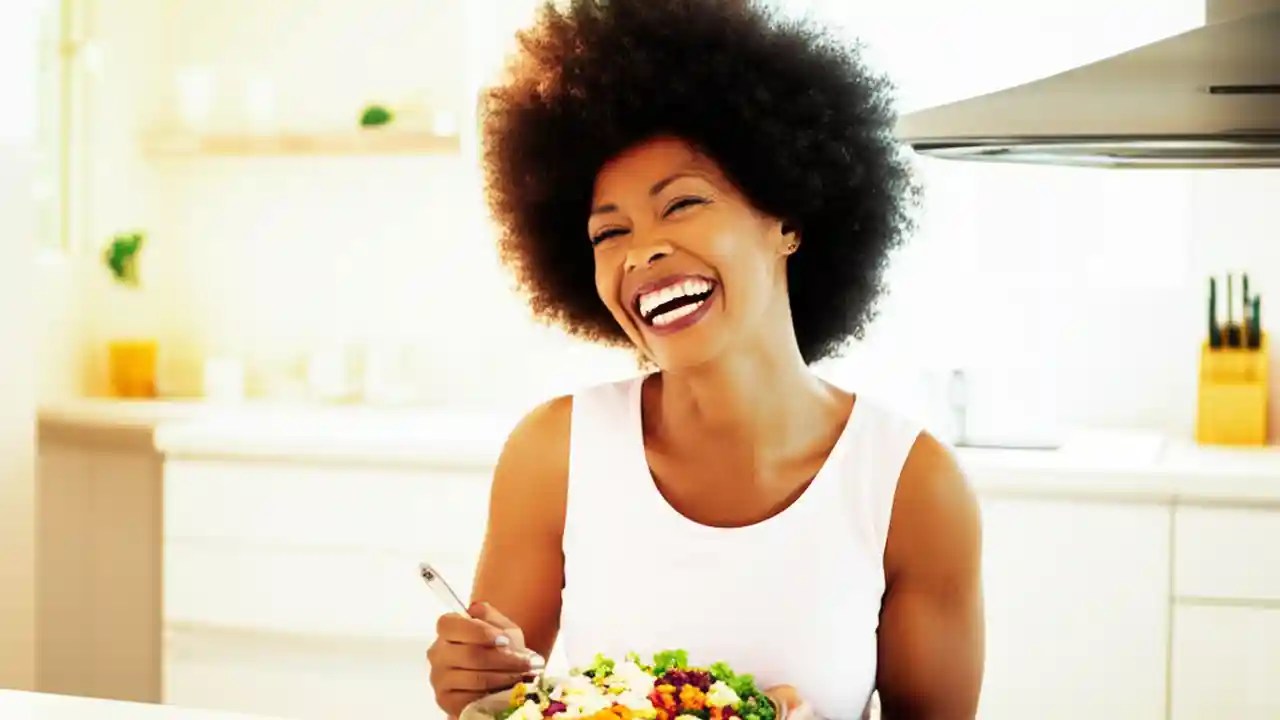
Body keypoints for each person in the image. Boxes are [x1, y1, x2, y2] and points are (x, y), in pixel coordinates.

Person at [427, 1, 984, 718]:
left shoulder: (912, 487)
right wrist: (472, 684)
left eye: (682, 204)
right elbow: (502, 704)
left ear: (786, 219)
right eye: (609, 232)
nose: (641, 251)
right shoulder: (554, 454)